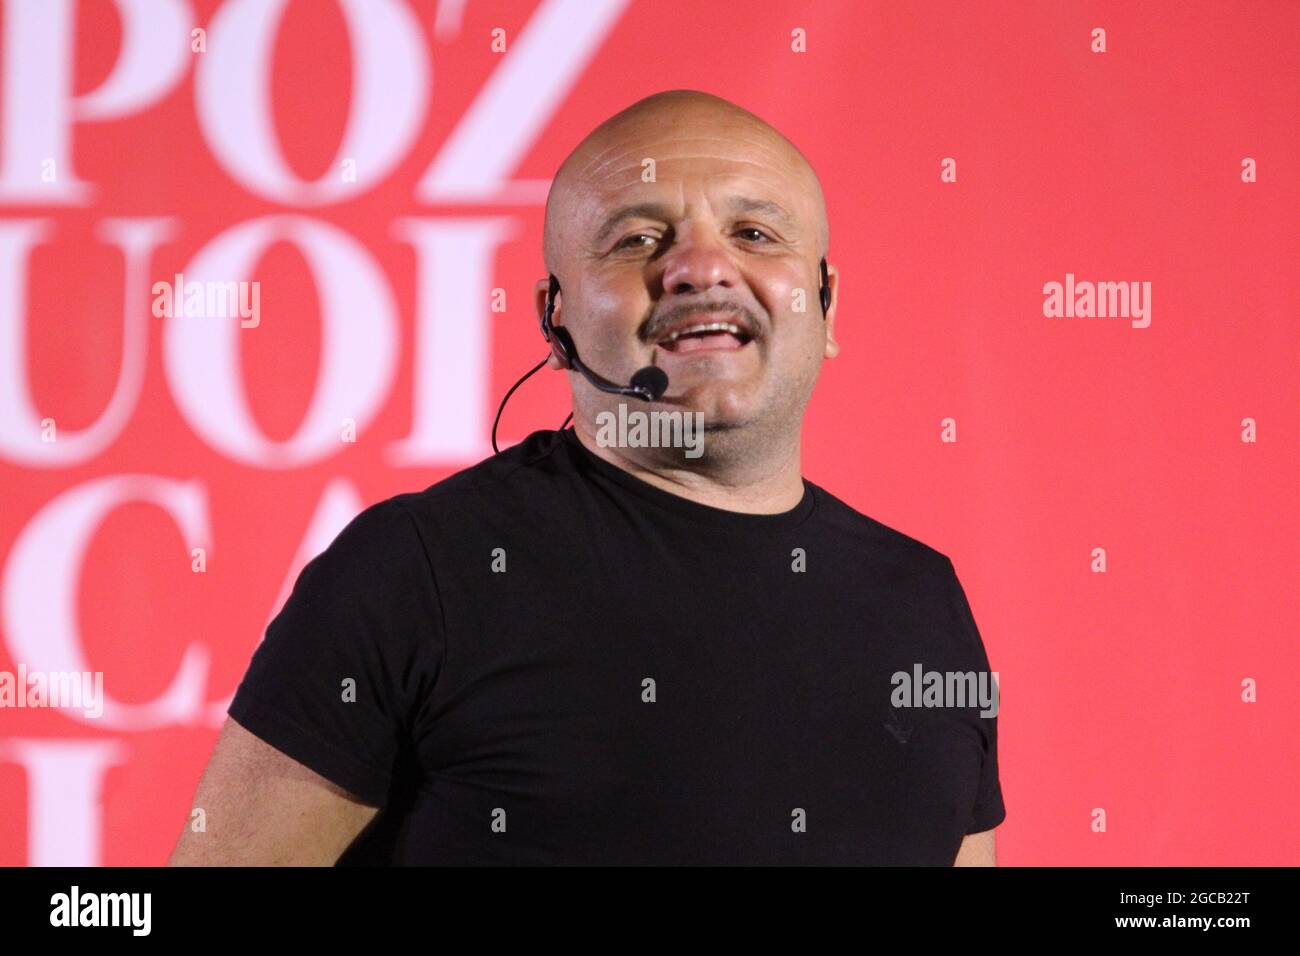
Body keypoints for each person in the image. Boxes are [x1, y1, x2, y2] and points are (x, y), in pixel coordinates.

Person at [169, 89, 1005, 866]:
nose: (701, 268)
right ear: (554, 319)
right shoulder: (414, 571)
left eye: (755, 233)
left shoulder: (922, 597)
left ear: (826, 305)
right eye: (639, 239)